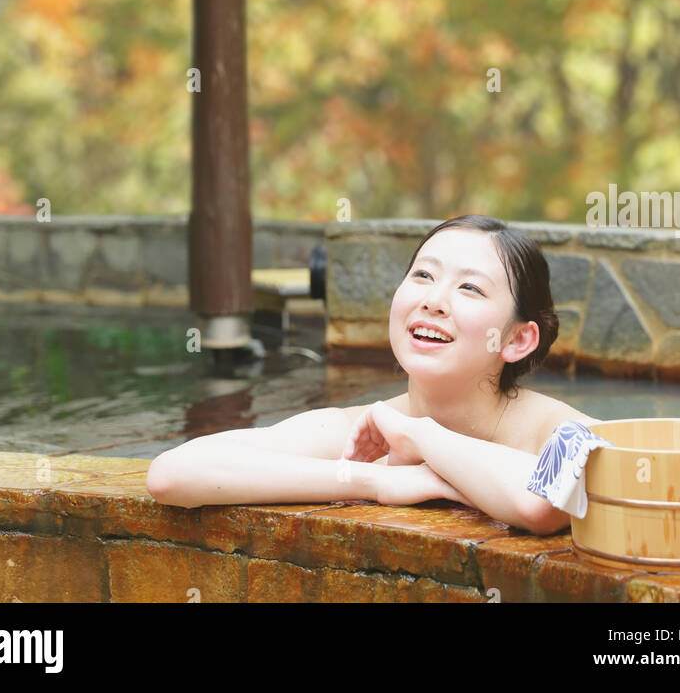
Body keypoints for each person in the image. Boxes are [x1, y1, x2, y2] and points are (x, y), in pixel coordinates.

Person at [145, 214, 601, 534]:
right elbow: (172, 475)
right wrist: (375, 481)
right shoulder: (358, 432)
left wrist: (421, 437)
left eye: (470, 287)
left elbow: (541, 501)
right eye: (423, 275)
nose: (434, 299)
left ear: (518, 339)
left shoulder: (569, 431)